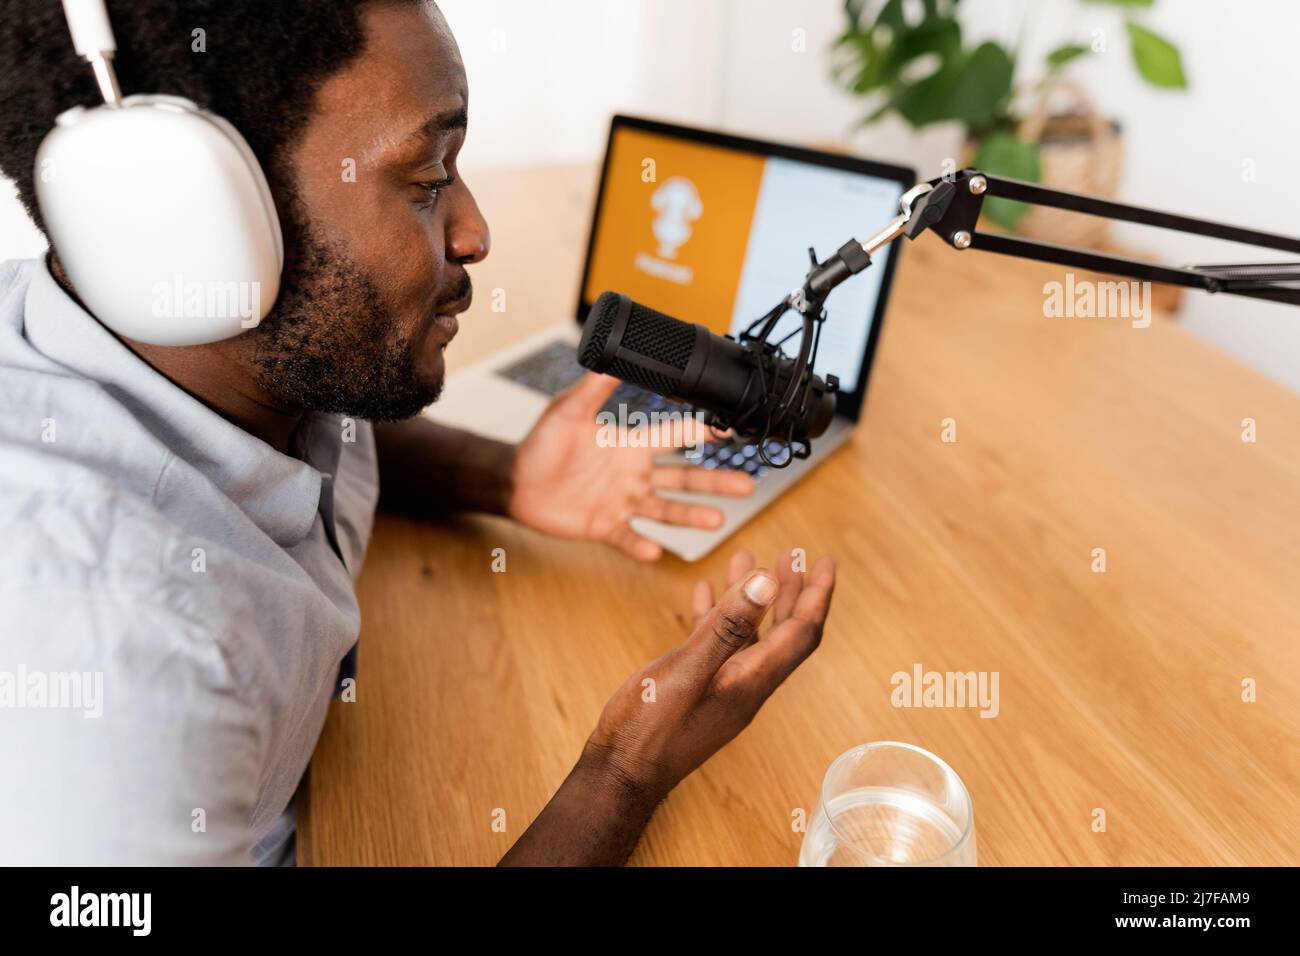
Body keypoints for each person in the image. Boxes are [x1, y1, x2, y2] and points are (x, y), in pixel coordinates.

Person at [0, 0, 836, 865]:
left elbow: (320, 447)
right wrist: (624, 774)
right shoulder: (119, 687)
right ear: (189, 226)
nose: (475, 233)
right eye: (428, 179)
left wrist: (504, 479)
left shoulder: (250, 371)